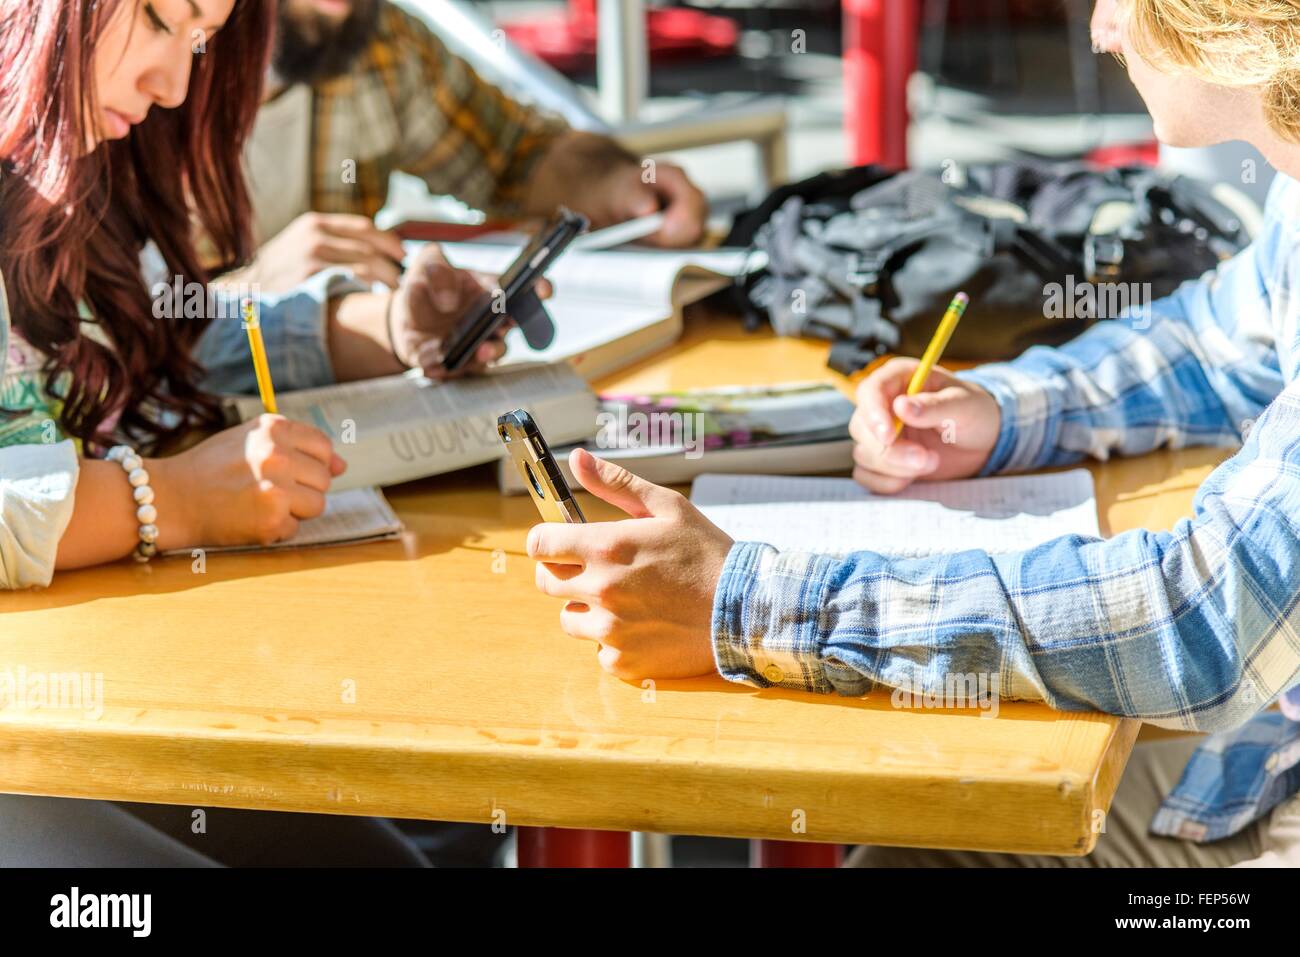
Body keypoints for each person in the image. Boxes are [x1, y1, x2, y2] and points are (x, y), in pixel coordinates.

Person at [526, 0, 1300, 867]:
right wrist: (1004, 412)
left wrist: (744, 602)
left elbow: (1195, 621)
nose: (1101, 31)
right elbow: (1219, 340)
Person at [0, 0, 512, 865]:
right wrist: (170, 500)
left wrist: (382, 329)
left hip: (76, 693)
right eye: (162, 21)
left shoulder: (70, 167)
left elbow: (152, 343)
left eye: (201, 42)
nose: (175, 85)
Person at [229, 0, 710, 292]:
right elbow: (156, 318)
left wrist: (616, 185)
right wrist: (251, 294)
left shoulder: (380, 42)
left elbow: (513, 155)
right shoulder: (165, 77)